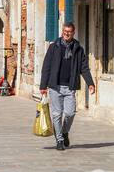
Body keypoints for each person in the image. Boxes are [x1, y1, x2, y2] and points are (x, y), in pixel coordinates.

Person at [39, 21, 96, 151]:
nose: (66, 34)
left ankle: (65, 132)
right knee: (57, 114)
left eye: (69, 32)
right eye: (65, 32)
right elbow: (46, 67)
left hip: (70, 86)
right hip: (55, 86)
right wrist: (43, 86)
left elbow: (84, 67)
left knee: (70, 113)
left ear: (73, 33)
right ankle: (59, 140)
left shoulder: (78, 48)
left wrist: (90, 83)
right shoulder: (54, 47)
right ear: (62, 32)